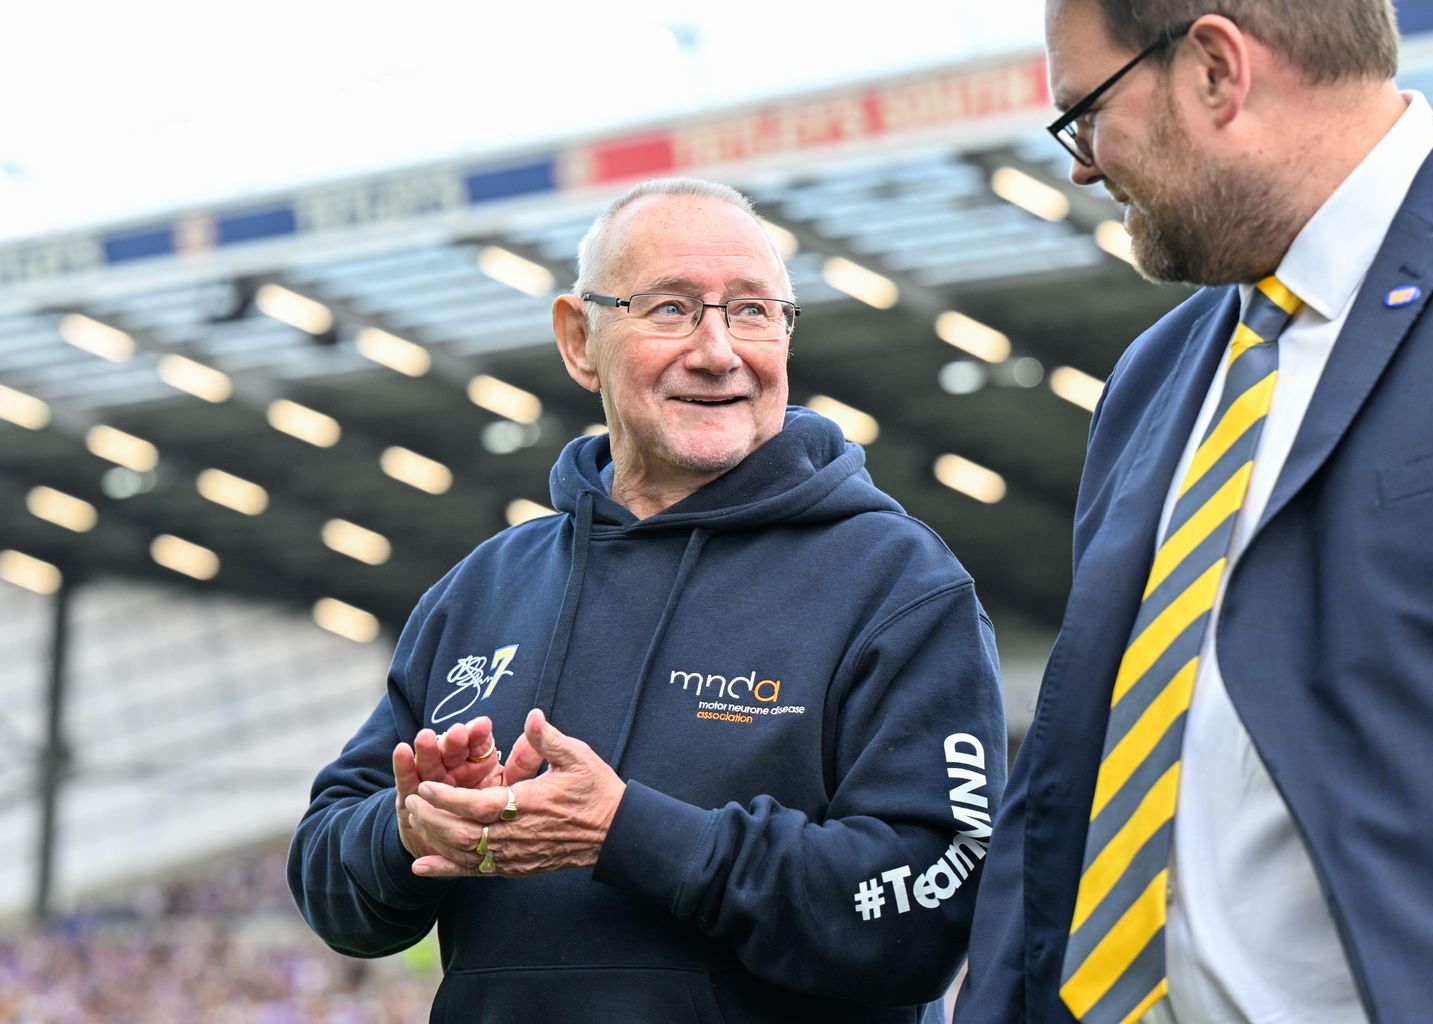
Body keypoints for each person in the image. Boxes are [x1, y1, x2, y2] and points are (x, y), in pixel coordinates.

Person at [288, 177, 1008, 1024]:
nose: (717, 350)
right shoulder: (482, 589)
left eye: (752, 311)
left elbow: (929, 916)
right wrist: (410, 830)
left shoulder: (899, 586)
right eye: (670, 309)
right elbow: (328, 875)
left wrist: (629, 833)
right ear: (578, 339)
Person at [959, 2, 1433, 1023]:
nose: (1083, 167)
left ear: (1218, 68)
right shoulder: (1155, 374)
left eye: (1086, 113)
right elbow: (1063, 779)